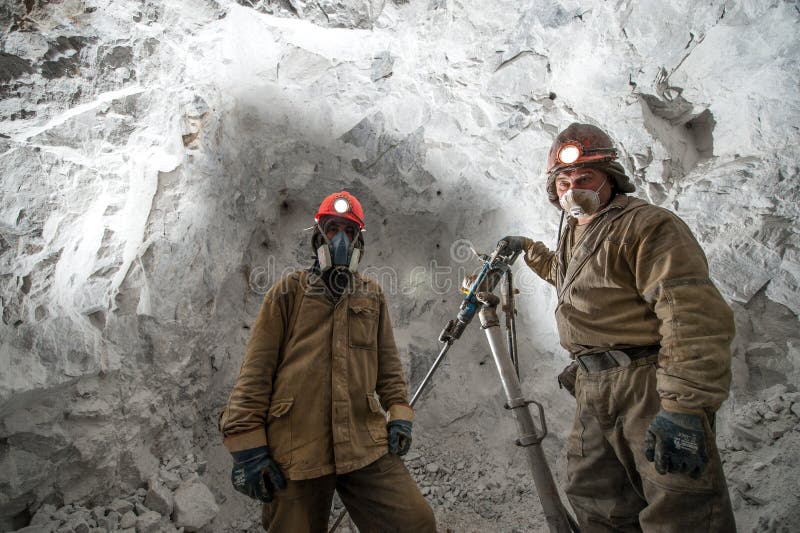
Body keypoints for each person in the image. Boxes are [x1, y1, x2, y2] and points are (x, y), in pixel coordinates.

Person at [498, 123, 737, 532]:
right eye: (563, 180)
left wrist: (683, 407)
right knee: (597, 500)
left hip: (646, 384)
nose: (572, 188)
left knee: (678, 506)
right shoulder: (577, 232)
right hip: (593, 386)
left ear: (610, 178)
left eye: (584, 177)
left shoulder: (647, 226)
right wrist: (529, 249)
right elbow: (567, 274)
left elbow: (690, 317)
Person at [219, 191, 436, 533]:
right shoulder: (287, 292)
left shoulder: (372, 295)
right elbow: (255, 375)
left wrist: (399, 415)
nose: (340, 239)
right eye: (333, 229)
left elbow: (390, 370)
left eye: (349, 232)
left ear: (358, 242)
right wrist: (248, 448)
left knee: (415, 522)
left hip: (363, 441)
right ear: (318, 237)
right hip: (297, 446)